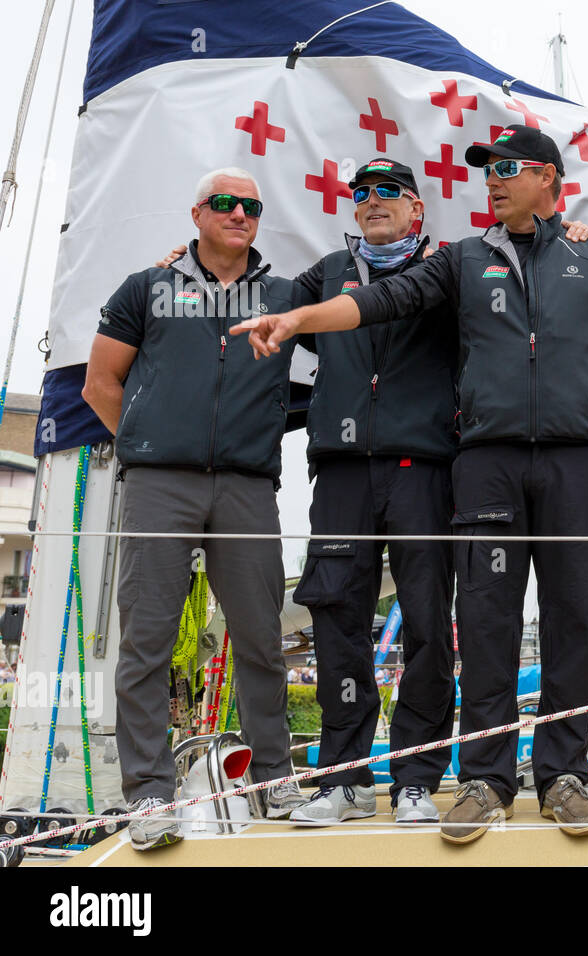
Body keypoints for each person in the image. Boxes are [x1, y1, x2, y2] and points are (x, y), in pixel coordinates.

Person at [231, 125, 588, 844]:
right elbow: (380, 303)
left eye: (507, 168)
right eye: (486, 170)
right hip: (482, 460)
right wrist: (300, 316)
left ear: (548, 177)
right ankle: (486, 780)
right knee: (485, 623)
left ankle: (563, 776)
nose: (492, 178)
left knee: (575, 615)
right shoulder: (461, 260)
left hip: (580, 457)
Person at [83, 167, 308, 850]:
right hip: (159, 483)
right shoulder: (146, 287)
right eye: (224, 203)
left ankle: (275, 780)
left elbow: (360, 317)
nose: (239, 213)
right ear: (198, 212)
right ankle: (150, 798)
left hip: (245, 486)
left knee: (263, 640)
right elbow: (100, 384)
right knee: (146, 642)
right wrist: (153, 441)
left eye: (250, 205)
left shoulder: (283, 296)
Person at [282, 158, 459, 826]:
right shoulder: (326, 273)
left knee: (425, 624)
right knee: (336, 618)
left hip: (425, 467)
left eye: (390, 192)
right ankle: (344, 780)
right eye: (362, 194)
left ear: (416, 209)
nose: (373, 201)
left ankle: (416, 778)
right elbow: (259, 305)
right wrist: (195, 267)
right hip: (343, 469)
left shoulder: (450, 269)